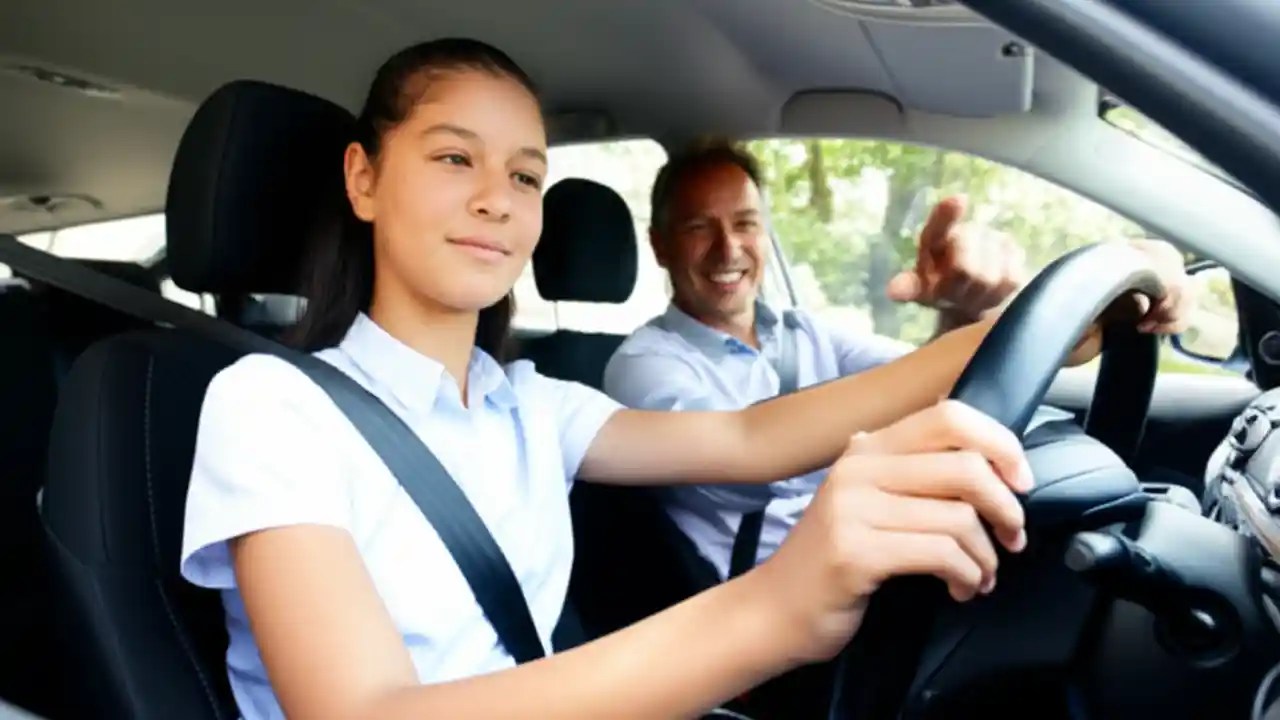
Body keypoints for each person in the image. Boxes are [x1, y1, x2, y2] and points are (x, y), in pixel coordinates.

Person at [179, 38, 1189, 720]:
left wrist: (1046, 327)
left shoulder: (530, 405)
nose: (496, 201)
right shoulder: (271, 405)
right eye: (454, 159)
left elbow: (754, 439)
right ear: (363, 178)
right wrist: (775, 610)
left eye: (525, 175)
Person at [602, 142, 1189, 580]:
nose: (728, 249)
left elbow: (925, 378)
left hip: (885, 557)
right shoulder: (642, 364)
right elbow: (754, 460)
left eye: (746, 224)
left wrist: (962, 317)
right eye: (699, 228)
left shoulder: (803, 330)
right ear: (660, 245)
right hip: (786, 605)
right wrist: (1072, 312)